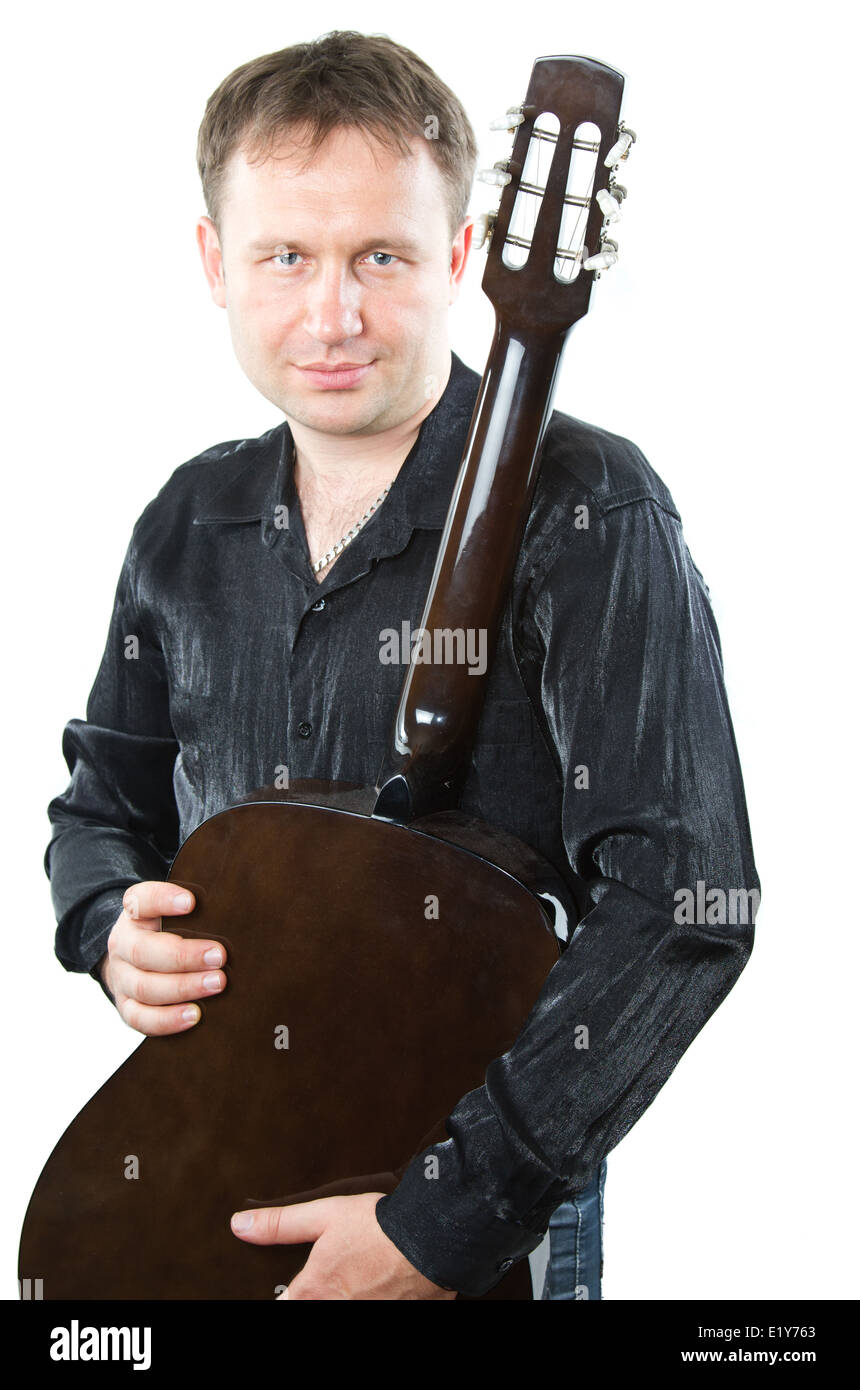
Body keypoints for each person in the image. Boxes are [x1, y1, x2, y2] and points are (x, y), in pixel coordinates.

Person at [44, 31, 759, 1301]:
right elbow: (105, 800)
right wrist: (105, 921)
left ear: (462, 259)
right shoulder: (184, 519)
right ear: (214, 262)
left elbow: (682, 901)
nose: (332, 313)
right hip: (201, 1158)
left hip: (472, 1207)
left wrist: (442, 1225)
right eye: (284, 257)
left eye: (380, 254)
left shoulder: (593, 509)